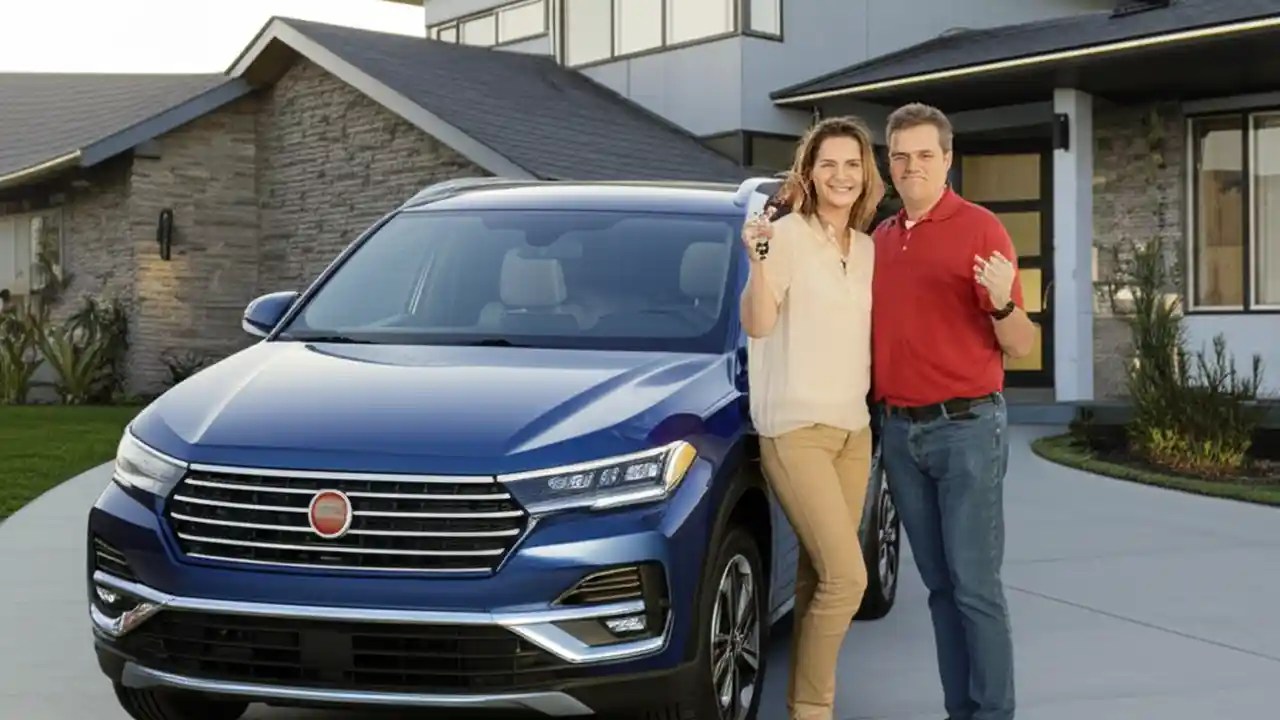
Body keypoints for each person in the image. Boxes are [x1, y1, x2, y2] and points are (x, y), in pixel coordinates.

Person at [870, 102, 1036, 720]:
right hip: (899, 433)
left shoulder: (982, 229)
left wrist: (999, 302)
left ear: (948, 160)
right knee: (940, 591)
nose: (912, 167)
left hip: (965, 430)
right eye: (901, 156)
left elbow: (1019, 343)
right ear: (890, 163)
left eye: (925, 155)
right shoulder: (881, 240)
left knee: (975, 589)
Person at [739, 115, 885, 720]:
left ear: (865, 174)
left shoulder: (868, 245)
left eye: (852, 163)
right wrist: (758, 260)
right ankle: (814, 711)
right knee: (848, 580)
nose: (841, 174)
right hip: (796, 430)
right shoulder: (786, 235)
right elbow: (759, 323)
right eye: (828, 163)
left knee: (818, 575)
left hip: (853, 432)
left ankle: (802, 701)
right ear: (810, 171)